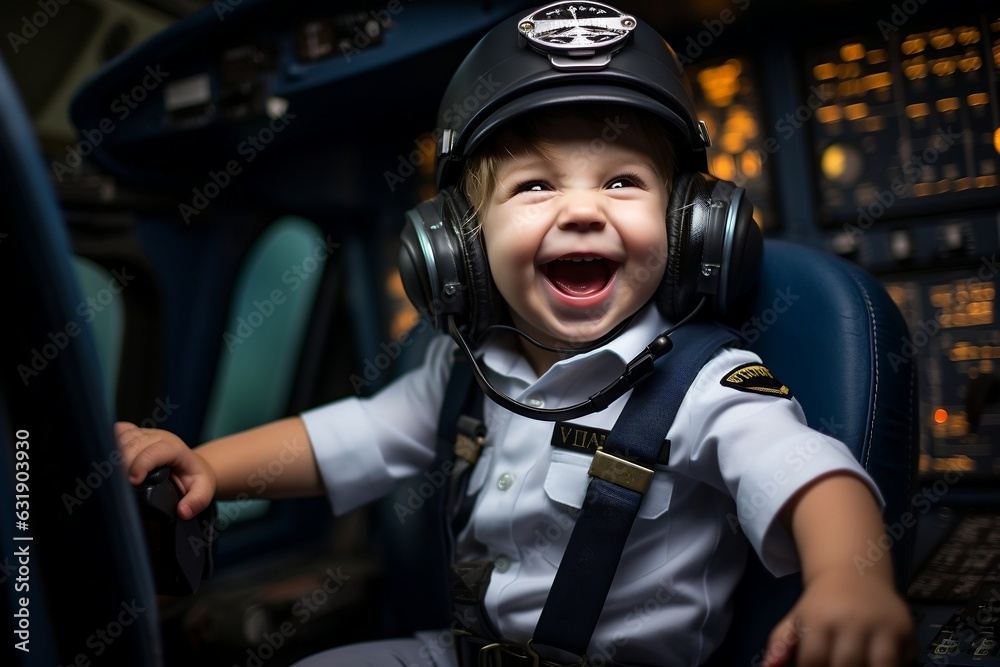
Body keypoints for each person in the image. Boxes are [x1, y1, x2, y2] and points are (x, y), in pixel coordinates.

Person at [116, 3, 915, 666]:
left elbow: (811, 474)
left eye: (622, 182)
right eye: (534, 185)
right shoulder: (460, 369)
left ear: (690, 226)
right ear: (461, 243)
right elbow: (347, 439)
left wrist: (850, 577)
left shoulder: (705, 383)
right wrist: (209, 467)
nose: (580, 209)